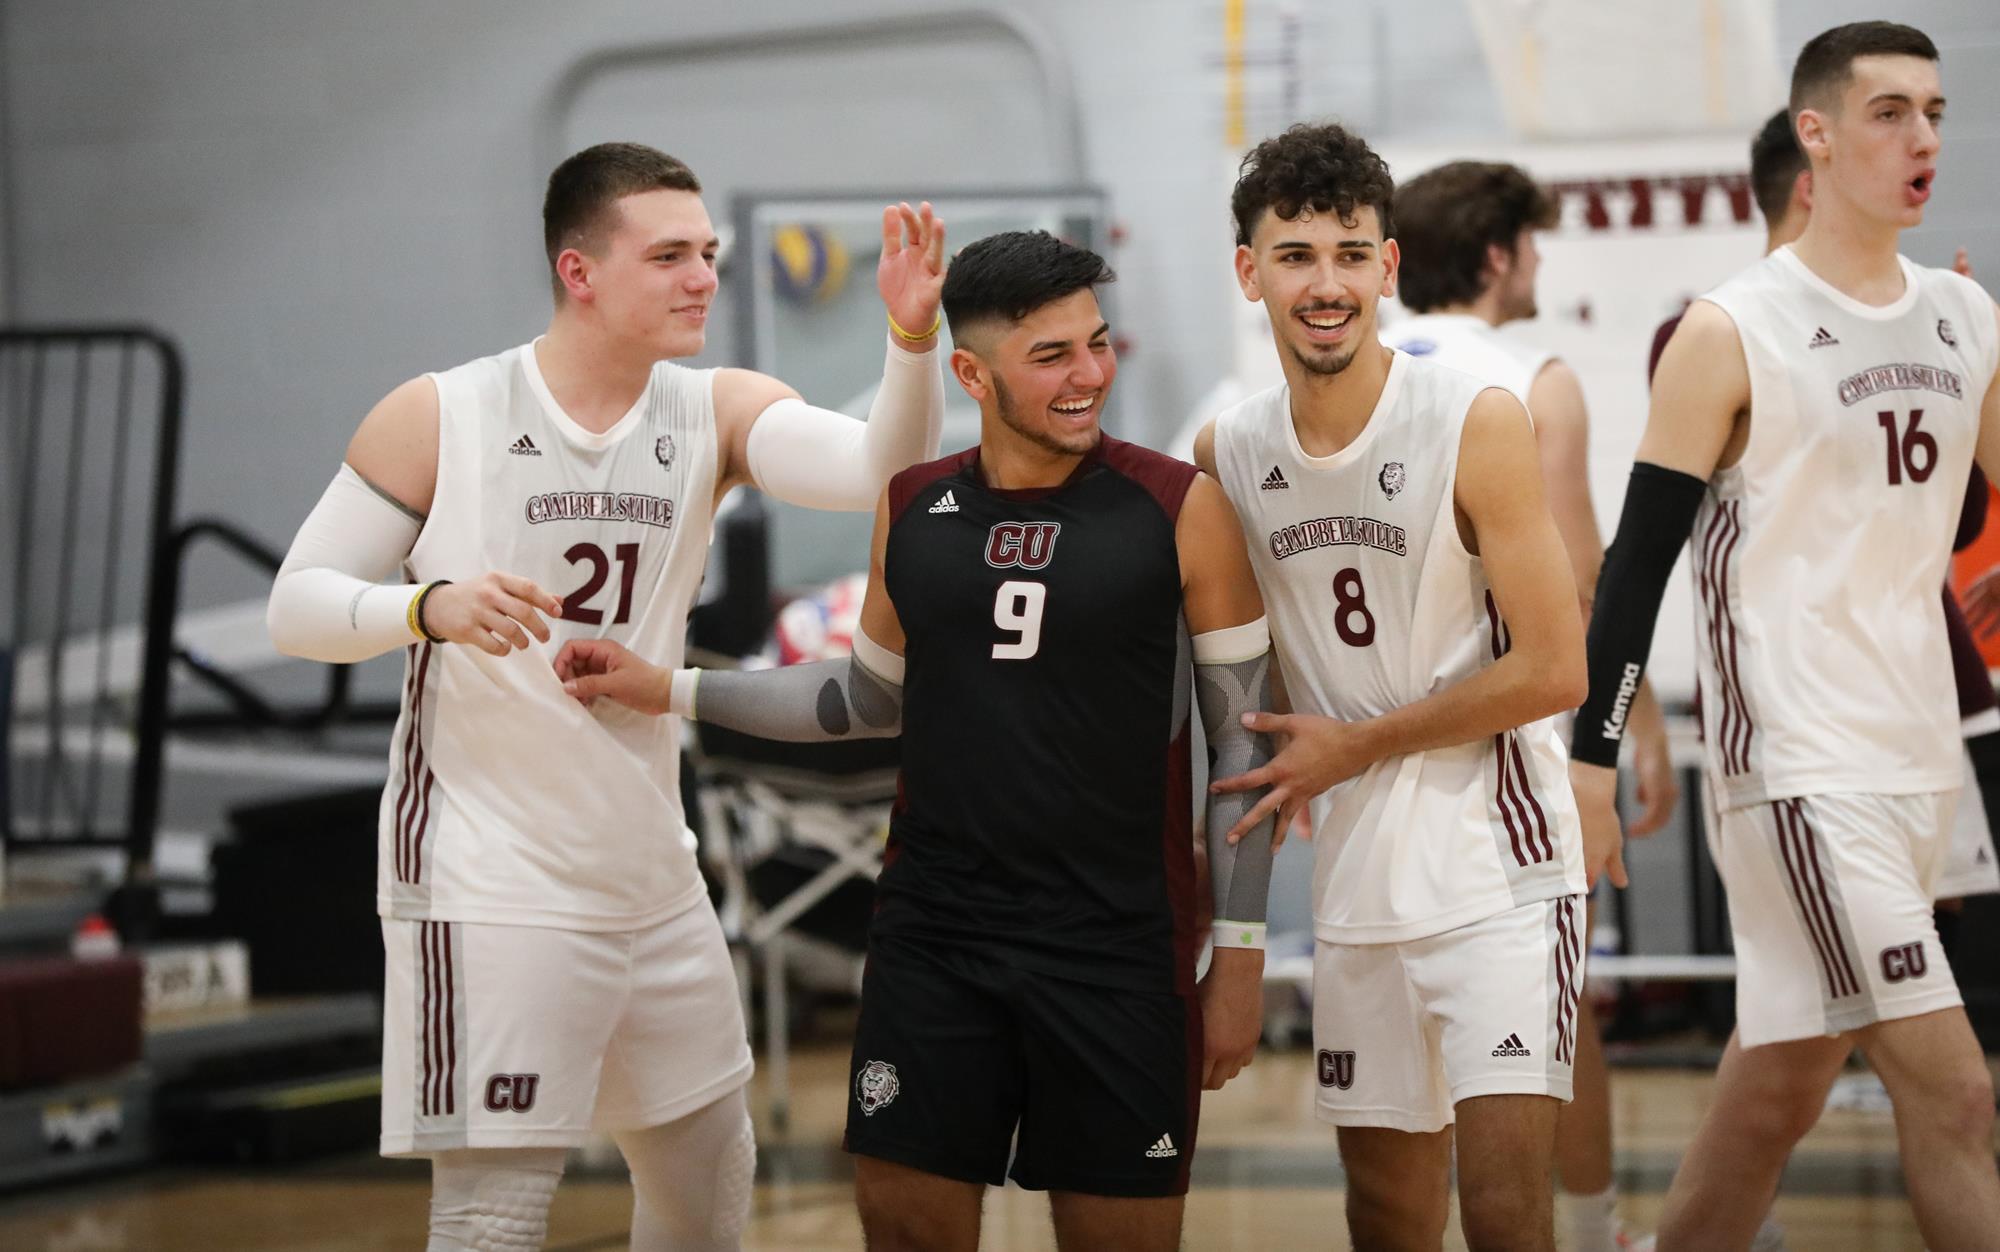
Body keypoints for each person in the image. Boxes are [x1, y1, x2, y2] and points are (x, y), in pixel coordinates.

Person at [266, 141, 949, 1251]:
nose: (703, 279)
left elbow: (885, 473)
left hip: (649, 870)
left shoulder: (716, 409)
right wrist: (425, 606)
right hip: (488, 877)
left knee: (707, 1176)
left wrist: (911, 338)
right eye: (670, 254)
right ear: (578, 272)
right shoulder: (440, 413)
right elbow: (296, 606)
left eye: (710, 254)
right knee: (494, 1211)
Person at [556, 229, 1281, 1252]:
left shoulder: (1178, 508)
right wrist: (669, 687)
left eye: (1096, 343)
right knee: (901, 1226)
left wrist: (1239, 956)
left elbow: (1244, 750)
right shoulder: (914, 505)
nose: (1089, 376)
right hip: (936, 940)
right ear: (971, 375)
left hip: (1116, 947)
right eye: (1052, 356)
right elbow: (862, 701)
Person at [1570, 23, 2000, 1249]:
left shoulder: (1963, 312)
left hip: (1919, 756)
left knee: (1776, 1093)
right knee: (1955, 1088)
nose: (1919, 138)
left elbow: (1962, 503)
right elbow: (1633, 564)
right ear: (1812, 135)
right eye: (1884, 113)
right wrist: (1589, 762)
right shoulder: (1727, 330)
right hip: (1800, 773)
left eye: (1931, 110)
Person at [1196, 121, 1601, 1252]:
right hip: (1359, 880)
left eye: (1347, 252)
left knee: (1507, 1214)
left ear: (1386, 264)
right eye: (1293, 255)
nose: (1323, 284)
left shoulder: (1472, 419)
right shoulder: (1224, 451)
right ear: (1248, 272)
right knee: (1380, 1212)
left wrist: (1356, 745)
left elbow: (1553, 665)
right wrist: (1225, 932)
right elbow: (1243, 708)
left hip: (1501, 868)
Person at [1389, 158, 1679, 1252]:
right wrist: (1631, 723)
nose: (1541, 265)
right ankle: (1597, 1230)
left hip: (1377, 737)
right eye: (1534, 245)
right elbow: (1581, 569)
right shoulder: (1531, 376)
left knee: (1403, 1042)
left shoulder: (1357, 372)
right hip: (1511, 736)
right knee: (1549, 1022)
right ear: (1499, 252)